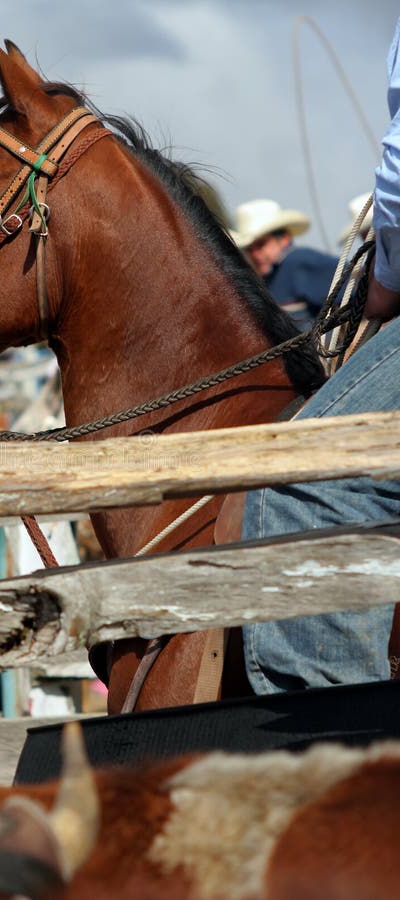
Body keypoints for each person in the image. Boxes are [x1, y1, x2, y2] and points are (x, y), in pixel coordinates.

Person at [241, 17, 400, 695]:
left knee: (306, 480)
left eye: (266, 239)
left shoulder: (303, 269)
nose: (263, 250)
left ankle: (335, 769)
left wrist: (382, 288)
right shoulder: (278, 277)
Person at [233, 198, 339, 330]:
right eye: (249, 249)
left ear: (284, 239)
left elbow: (355, 287)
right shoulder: (263, 281)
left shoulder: (297, 262)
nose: (254, 255)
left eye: (261, 245)